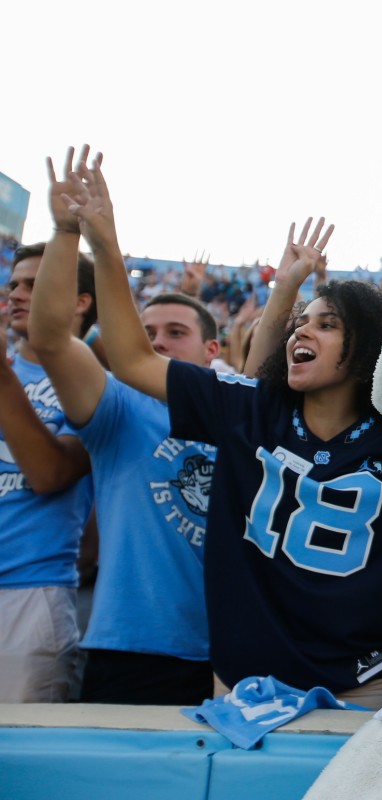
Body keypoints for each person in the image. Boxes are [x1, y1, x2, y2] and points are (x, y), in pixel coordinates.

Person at [59, 151, 382, 710]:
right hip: (244, 682)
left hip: (368, 684)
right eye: (300, 322)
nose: (301, 331)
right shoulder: (250, 408)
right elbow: (132, 360)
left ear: (369, 351)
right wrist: (104, 241)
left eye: (327, 323)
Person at [26, 147, 219, 704]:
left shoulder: (238, 409)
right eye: (146, 330)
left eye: (174, 331)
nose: (155, 341)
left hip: (232, 649)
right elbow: (51, 340)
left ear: (212, 351)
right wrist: (69, 233)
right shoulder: (118, 409)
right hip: (131, 649)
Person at [0, 240, 94, 702]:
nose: (16, 293)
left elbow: (50, 474)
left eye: (34, 285)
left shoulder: (100, 387)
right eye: (14, 283)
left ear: (79, 302)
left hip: (27, 592)